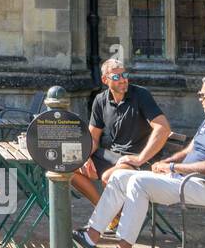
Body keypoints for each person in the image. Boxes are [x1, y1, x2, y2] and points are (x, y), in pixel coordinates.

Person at [73, 75, 205, 248]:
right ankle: (90, 237)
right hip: (187, 181)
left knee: (139, 183)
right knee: (119, 176)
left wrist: (173, 169)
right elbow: (189, 150)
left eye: (202, 95)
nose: (200, 99)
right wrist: (168, 162)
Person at [72, 59, 172, 206]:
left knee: (110, 176)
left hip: (140, 159)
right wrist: (84, 155)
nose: (123, 80)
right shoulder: (100, 100)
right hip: (114, 156)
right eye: (116, 76)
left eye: (124, 75)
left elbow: (163, 128)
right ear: (105, 79)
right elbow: (93, 137)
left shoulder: (141, 95)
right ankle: (105, 212)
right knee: (70, 166)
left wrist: (140, 158)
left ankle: (110, 218)